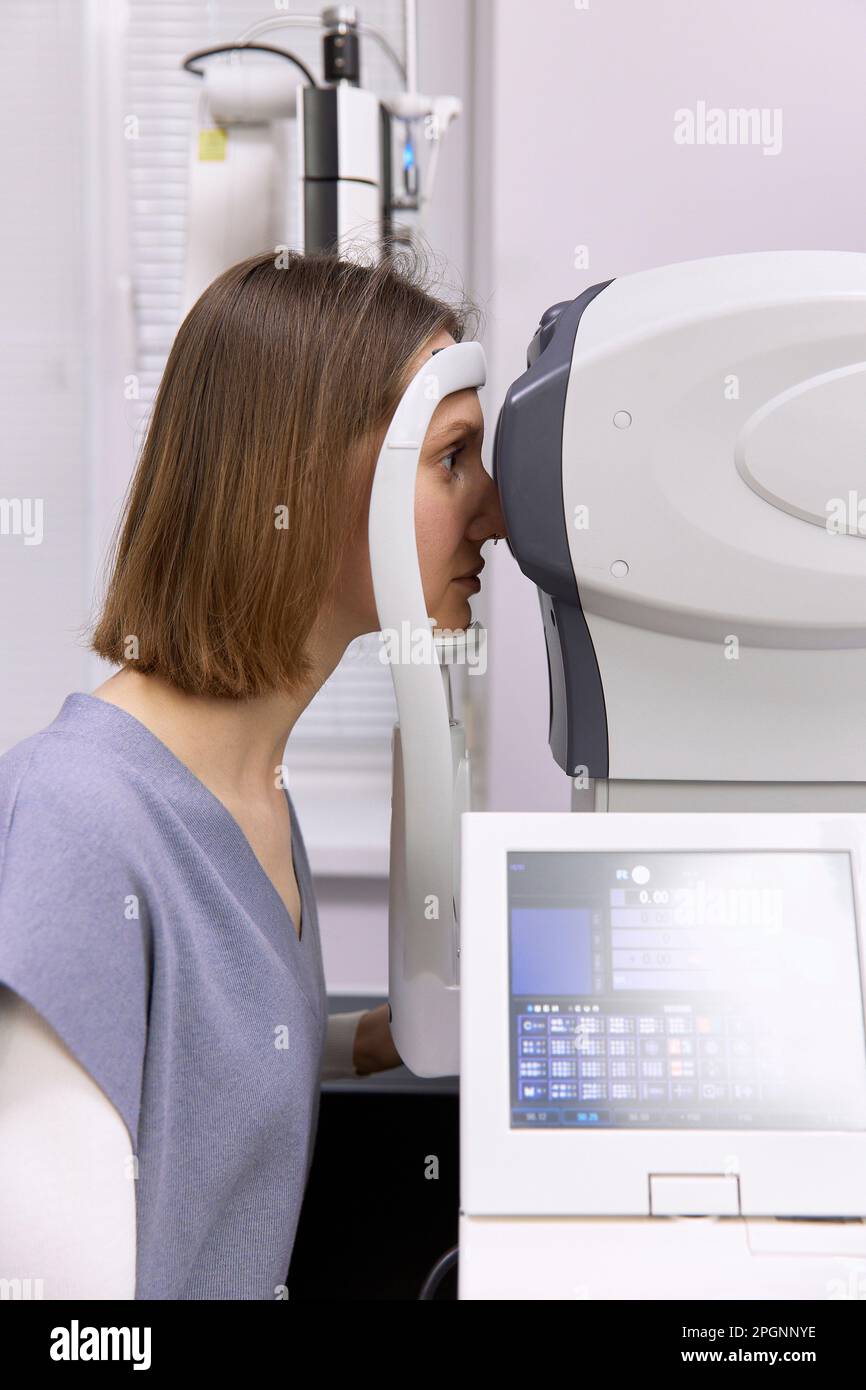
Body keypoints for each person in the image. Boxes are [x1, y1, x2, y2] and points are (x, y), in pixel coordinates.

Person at [0, 246, 508, 1299]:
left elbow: (179, 1063)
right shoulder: (76, 825)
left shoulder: (245, 797)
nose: (491, 514)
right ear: (310, 474)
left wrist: (362, 1041)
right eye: (451, 460)